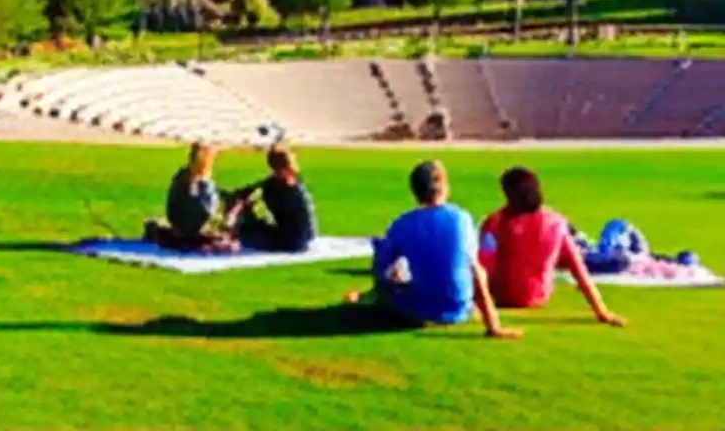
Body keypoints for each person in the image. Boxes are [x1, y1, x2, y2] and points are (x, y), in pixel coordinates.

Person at [347, 160, 520, 339]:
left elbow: (381, 272)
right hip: (458, 307)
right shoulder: (462, 219)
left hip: (419, 310)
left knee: (391, 286)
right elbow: (476, 271)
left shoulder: (403, 224)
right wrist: (493, 324)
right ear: (445, 187)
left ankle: (364, 300)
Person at [478, 167, 624, 326]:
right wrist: (601, 311)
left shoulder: (494, 223)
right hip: (537, 297)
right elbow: (579, 270)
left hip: (500, 296)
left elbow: (482, 264)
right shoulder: (556, 222)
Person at [144, 142, 238, 252]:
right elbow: (206, 210)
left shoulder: (183, 176)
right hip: (191, 228)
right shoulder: (199, 182)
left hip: (181, 226)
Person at [223, 145, 318, 252]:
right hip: (300, 237)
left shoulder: (283, 187)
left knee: (246, 230)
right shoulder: (289, 183)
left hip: (292, 241)